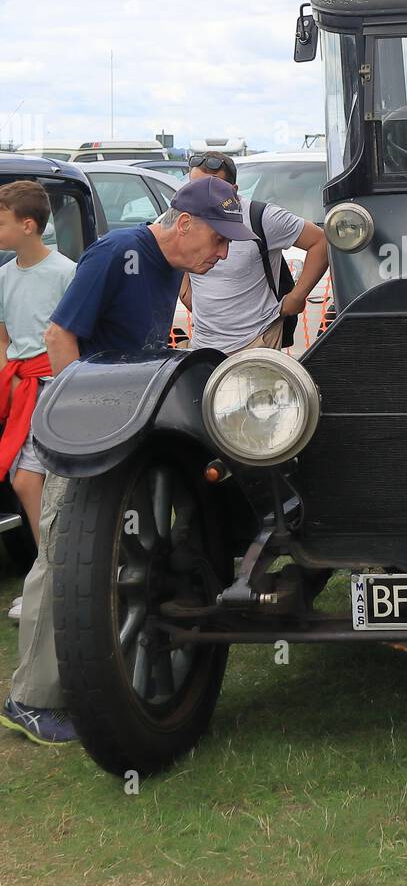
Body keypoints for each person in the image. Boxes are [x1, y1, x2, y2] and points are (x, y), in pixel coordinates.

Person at [0, 176, 255, 746]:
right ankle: (30, 701)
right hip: (84, 426)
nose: (221, 254)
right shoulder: (119, 252)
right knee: (62, 559)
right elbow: (60, 334)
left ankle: (85, 677)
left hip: (124, 424)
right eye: (217, 241)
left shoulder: (170, 266)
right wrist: (81, 417)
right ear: (184, 224)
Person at [0, 182, 75, 624]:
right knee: (28, 482)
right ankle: (50, 575)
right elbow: (5, 336)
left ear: (28, 226)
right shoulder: (4, 276)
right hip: (19, 388)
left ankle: (54, 578)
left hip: (54, 388)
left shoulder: (65, 272)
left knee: (37, 482)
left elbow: (70, 335)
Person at [180, 154, 329, 355]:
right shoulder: (185, 219)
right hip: (202, 346)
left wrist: (297, 296)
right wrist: (185, 293)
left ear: (233, 191)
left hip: (257, 344)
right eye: (193, 189)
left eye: (211, 190)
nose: (200, 198)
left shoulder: (262, 217)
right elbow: (170, 251)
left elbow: (321, 241)